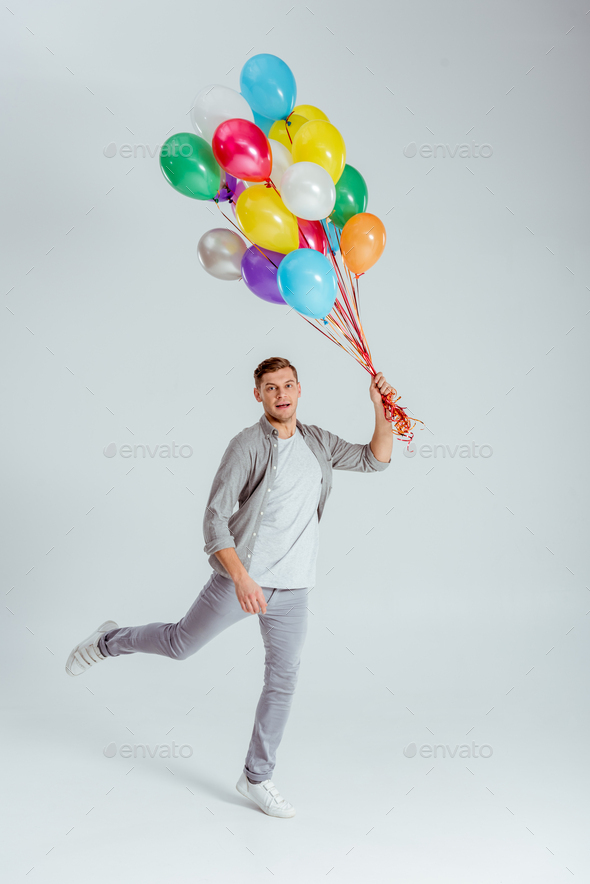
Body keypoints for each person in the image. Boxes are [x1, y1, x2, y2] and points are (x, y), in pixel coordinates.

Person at [65, 356, 393, 818]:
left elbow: (375, 460)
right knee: (180, 645)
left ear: (300, 390)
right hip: (243, 579)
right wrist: (241, 578)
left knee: (282, 680)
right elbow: (214, 518)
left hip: (294, 590)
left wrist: (380, 408)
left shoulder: (317, 442)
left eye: (288, 385)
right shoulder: (246, 446)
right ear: (257, 395)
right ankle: (105, 642)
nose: (281, 393)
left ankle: (256, 777)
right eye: (271, 387)